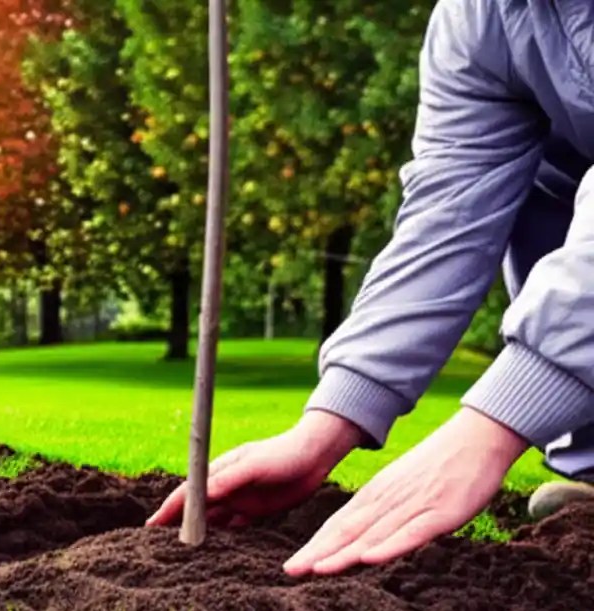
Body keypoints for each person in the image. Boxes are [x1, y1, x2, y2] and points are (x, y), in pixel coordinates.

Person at [148, 0, 594, 576]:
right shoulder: (482, 17)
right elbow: (448, 216)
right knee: (549, 185)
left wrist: (489, 430)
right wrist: (328, 424)